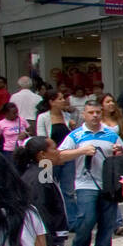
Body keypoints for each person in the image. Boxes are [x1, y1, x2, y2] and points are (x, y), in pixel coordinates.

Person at [58, 98, 123, 246]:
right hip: (85, 183)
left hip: (108, 185)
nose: (95, 116)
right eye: (91, 113)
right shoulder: (76, 135)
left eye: (97, 112)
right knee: (86, 219)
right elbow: (60, 155)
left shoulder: (111, 134)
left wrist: (119, 152)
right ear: (84, 115)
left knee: (107, 223)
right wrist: (81, 151)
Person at [36, 91, 79, 232]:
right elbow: (41, 139)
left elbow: (74, 136)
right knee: (46, 188)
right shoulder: (43, 117)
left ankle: (72, 221)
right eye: (60, 99)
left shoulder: (67, 116)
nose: (63, 101)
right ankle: (48, 221)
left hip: (65, 156)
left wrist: (73, 126)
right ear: (51, 101)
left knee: (69, 191)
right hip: (48, 159)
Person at [98, 93, 123, 236]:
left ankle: (118, 222)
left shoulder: (119, 120)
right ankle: (113, 220)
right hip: (101, 160)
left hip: (116, 160)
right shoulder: (98, 122)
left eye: (112, 101)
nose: (111, 104)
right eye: (107, 102)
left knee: (114, 188)